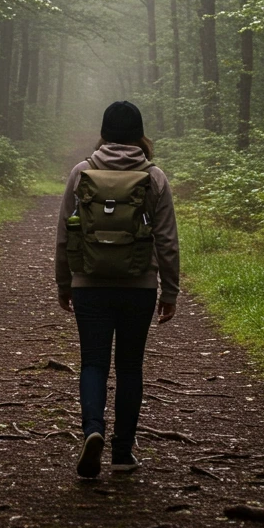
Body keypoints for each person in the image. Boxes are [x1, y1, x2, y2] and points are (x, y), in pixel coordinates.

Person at [55, 100, 179, 478]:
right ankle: (122, 453)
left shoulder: (81, 172)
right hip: (138, 285)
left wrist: (64, 282)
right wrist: (169, 291)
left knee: (93, 362)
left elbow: (64, 233)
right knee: (129, 367)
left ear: (105, 133)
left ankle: (93, 430)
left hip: (90, 284)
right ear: (140, 134)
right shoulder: (154, 176)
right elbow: (167, 240)